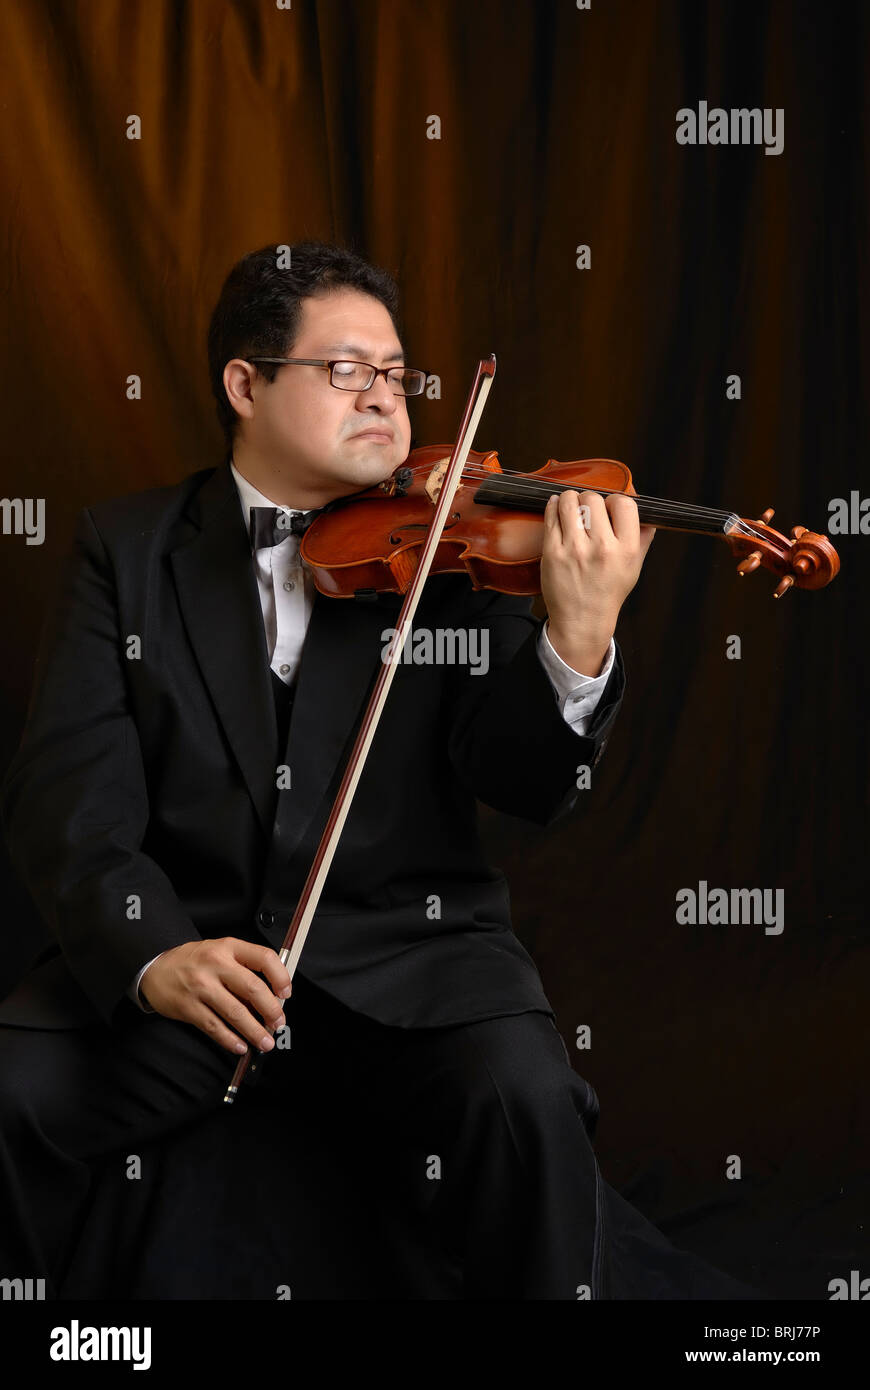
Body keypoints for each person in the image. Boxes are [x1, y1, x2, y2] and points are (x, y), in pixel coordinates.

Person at [0, 241, 758, 1300]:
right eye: (347, 370)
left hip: (413, 957)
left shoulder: (451, 542)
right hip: (202, 959)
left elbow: (524, 782)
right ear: (246, 385)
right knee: (15, 1088)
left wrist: (576, 641)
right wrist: (155, 955)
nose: (386, 399)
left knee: (523, 1098)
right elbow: (66, 800)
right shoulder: (123, 550)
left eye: (397, 376)